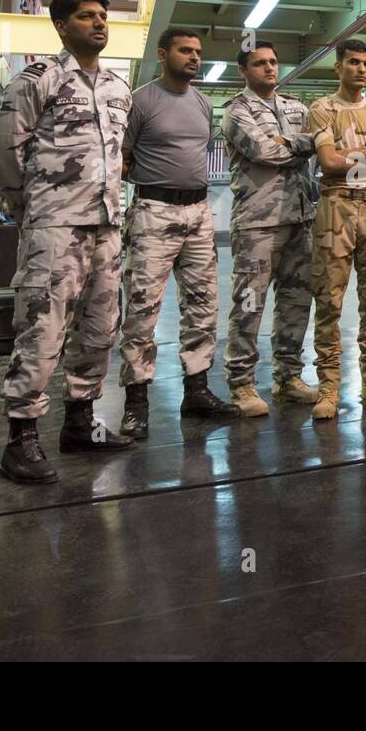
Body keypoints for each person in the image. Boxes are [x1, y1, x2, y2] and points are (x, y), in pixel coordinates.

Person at [0, 0, 136, 484]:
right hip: (54, 225)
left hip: (107, 227)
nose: (98, 24)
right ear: (60, 26)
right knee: (42, 328)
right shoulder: (36, 81)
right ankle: (22, 438)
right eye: (86, 16)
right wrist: (28, 210)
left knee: (100, 328)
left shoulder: (119, 88)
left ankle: (81, 422)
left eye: (102, 16)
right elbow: (6, 151)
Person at [119, 28, 239, 432]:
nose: (194, 57)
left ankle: (197, 390)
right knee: (142, 308)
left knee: (203, 304)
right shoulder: (140, 101)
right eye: (185, 51)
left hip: (199, 211)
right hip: (154, 209)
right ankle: (137, 401)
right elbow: (124, 156)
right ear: (162, 53)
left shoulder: (204, 104)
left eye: (198, 51)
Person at [305, 39, 366, 419]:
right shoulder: (323, 109)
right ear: (338, 67)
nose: (361, 70)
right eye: (353, 63)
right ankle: (329, 388)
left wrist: (353, 158)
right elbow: (328, 162)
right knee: (329, 299)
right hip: (337, 207)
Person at [222, 40, 319, 416]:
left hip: (301, 217)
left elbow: (322, 141)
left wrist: (294, 141)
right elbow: (264, 152)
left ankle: (288, 377)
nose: (269, 68)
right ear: (243, 71)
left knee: (296, 301)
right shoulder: (235, 111)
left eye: (273, 62)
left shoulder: (297, 106)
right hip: (257, 224)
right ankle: (242, 384)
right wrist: (302, 146)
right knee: (249, 305)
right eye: (259, 63)